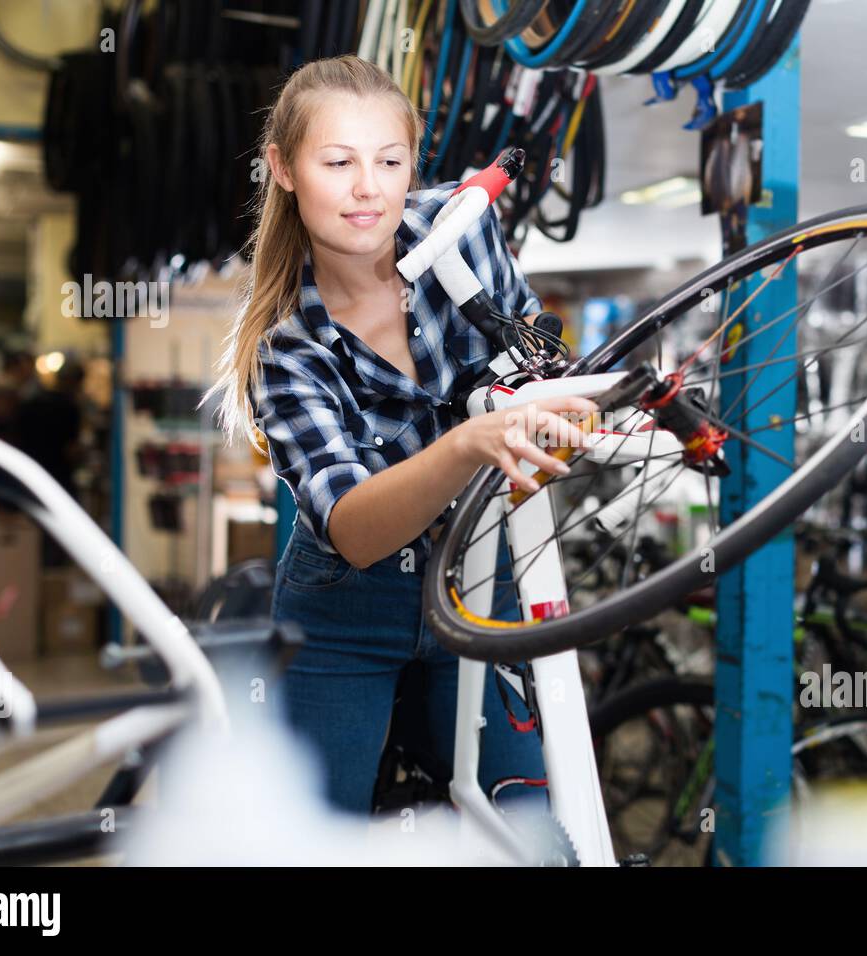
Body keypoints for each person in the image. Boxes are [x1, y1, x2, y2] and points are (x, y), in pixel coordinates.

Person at [208, 55, 595, 815]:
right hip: (346, 609)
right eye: (338, 162)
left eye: (390, 161)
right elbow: (353, 529)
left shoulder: (460, 230)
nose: (368, 189)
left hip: (482, 580)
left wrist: (563, 405)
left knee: (528, 827)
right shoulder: (287, 349)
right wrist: (465, 444)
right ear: (283, 169)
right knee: (322, 841)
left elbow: (533, 362)